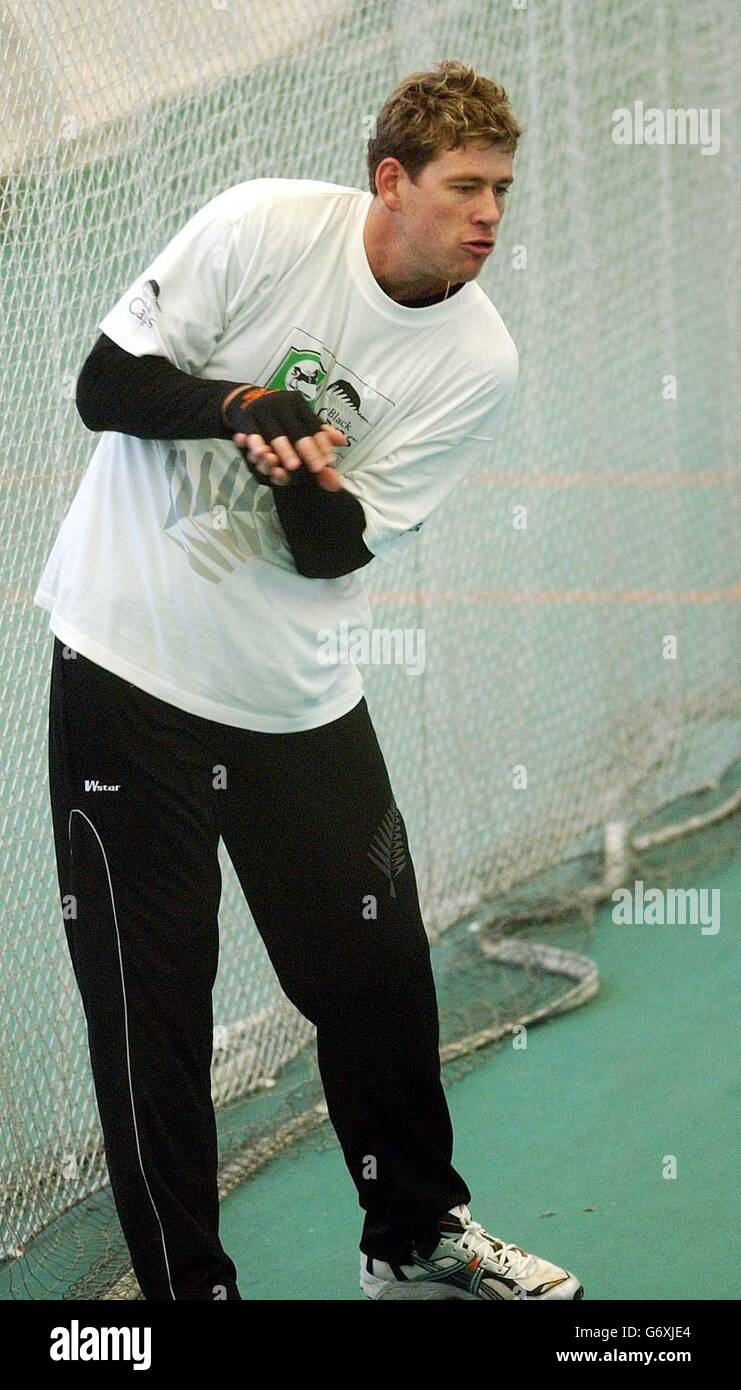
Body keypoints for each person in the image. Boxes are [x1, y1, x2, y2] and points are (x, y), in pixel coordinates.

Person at [34, 59, 583, 1301]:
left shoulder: (479, 363)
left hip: (295, 700)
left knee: (380, 981)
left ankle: (414, 1241)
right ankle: (190, 1293)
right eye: (464, 188)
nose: (490, 213)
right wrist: (242, 407)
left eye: (502, 188)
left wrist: (300, 474)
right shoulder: (262, 225)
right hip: (128, 672)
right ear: (390, 183)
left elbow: (336, 549)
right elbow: (104, 386)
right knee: (151, 1007)